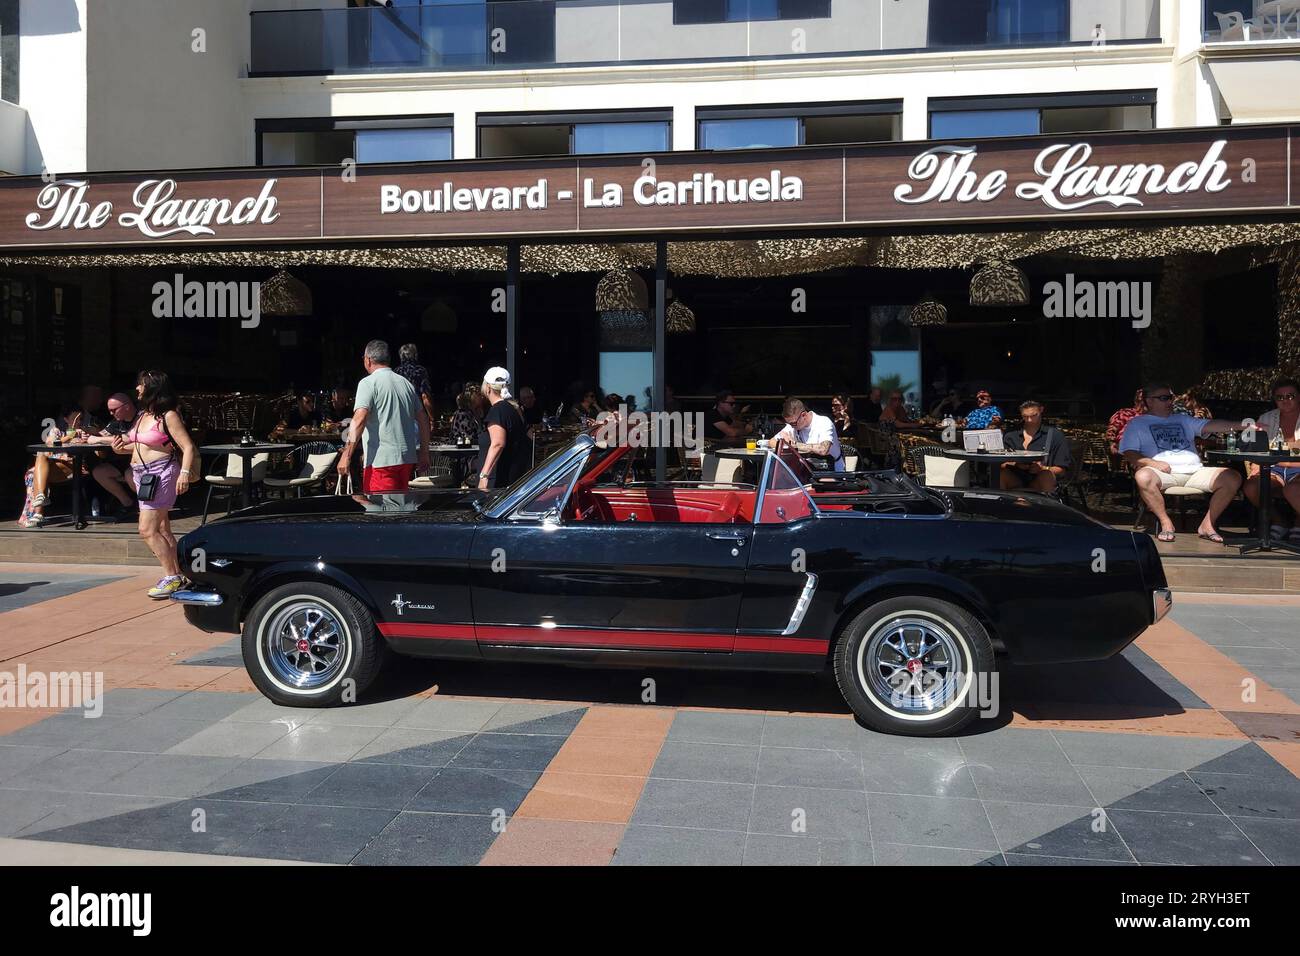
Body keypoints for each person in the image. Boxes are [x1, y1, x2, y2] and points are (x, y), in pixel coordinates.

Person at [110, 370, 199, 598]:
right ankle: (178, 574)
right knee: (162, 529)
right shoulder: (142, 415)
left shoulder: (167, 415)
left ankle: (171, 576)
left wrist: (184, 474)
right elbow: (141, 445)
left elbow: (187, 446)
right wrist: (120, 448)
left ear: (153, 388)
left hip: (161, 474)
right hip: (143, 475)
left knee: (146, 530)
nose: (137, 389)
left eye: (141, 385)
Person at [1119, 381, 1242, 544]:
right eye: (1164, 398)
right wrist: (1153, 463)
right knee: (1142, 476)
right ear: (1149, 401)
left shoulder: (1183, 419)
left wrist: (1242, 425)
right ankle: (1165, 522)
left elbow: (1212, 425)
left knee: (1232, 477)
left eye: (1171, 397)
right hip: (1163, 474)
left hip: (1195, 472)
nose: (1170, 402)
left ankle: (1207, 525)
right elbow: (1129, 453)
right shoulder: (1137, 423)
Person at [338, 339, 430, 494]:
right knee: (401, 511)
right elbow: (423, 420)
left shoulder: (368, 383)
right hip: (406, 459)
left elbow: (359, 419)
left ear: (367, 360)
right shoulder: (406, 384)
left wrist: (346, 454)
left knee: (381, 515)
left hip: (381, 461)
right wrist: (424, 453)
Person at [1244, 377, 1300, 542]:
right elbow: (1256, 445)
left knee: (1293, 490)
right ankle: (1278, 521)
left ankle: (1299, 522)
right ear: (1274, 400)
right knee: (1252, 487)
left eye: (1290, 396)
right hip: (1272, 467)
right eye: (1280, 397)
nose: (1285, 400)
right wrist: (1255, 464)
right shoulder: (1266, 418)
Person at [20, 407, 83, 528]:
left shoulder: (84, 431)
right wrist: (69, 436)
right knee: (32, 471)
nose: (78, 421)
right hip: (55, 464)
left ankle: (37, 513)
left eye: (80, 418)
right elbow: (49, 446)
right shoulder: (57, 431)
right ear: (65, 419)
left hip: (74, 465)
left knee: (36, 472)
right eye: (74, 418)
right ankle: (40, 502)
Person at [1000, 400, 1072, 494]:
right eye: (1025, 416)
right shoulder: (1011, 435)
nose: (1029, 420)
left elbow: (1062, 470)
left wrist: (1042, 468)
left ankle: (1046, 505)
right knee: (1001, 474)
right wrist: (1016, 464)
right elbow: (1000, 463)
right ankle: (999, 506)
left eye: (1034, 415)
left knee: (1046, 475)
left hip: (1040, 481)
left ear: (1041, 410)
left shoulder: (1055, 435)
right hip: (1015, 479)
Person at [476, 367, 529, 490]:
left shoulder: (497, 411)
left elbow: (498, 443)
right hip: (511, 477)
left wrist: (484, 475)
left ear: (488, 387)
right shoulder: (513, 409)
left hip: (497, 481)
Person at [775, 397, 844, 471]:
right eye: (789, 424)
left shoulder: (824, 422)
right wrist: (783, 442)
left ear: (804, 415)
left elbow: (823, 449)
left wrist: (794, 445)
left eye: (794, 423)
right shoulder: (793, 425)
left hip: (832, 471)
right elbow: (771, 441)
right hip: (809, 471)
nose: (792, 426)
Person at [395, 343, 436, 422]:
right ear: (415, 355)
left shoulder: (396, 372)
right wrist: (432, 418)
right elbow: (425, 396)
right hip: (417, 417)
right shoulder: (420, 371)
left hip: (399, 417)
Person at [1106, 388, 1146, 457]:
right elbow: (1112, 429)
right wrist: (1112, 443)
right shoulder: (1125, 413)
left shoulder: (1158, 417)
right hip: (1129, 449)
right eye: (1142, 400)